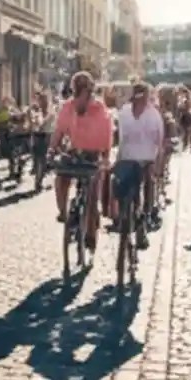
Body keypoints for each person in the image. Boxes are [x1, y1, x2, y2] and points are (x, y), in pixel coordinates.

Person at [50, 71, 114, 252]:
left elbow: (107, 135)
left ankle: (91, 235)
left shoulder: (100, 109)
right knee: (60, 178)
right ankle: (64, 212)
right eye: (76, 92)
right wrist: (51, 149)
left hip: (93, 156)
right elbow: (59, 131)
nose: (79, 97)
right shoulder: (68, 107)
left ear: (90, 92)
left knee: (92, 196)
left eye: (83, 92)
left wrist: (106, 157)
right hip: (75, 153)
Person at [115, 81, 165, 250]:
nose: (142, 99)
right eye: (138, 95)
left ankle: (145, 218)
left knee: (149, 183)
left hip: (147, 159)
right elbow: (120, 138)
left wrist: (158, 163)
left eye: (144, 95)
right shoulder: (124, 113)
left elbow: (159, 141)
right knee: (121, 187)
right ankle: (121, 216)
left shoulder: (154, 115)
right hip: (128, 159)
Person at [31, 92, 57, 191]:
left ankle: (39, 182)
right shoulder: (38, 111)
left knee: (41, 160)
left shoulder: (49, 111)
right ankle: (38, 182)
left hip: (45, 135)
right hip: (40, 135)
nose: (42, 102)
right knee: (40, 160)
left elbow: (45, 122)